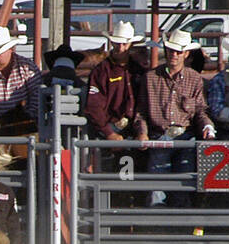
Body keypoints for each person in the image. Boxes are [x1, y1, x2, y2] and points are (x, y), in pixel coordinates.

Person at [134, 29, 217, 206]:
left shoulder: (194, 78)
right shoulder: (150, 78)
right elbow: (141, 112)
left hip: (185, 136)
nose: (174, 55)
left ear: (186, 54)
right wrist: (142, 133)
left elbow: (200, 110)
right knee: (157, 190)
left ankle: (180, 228)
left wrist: (207, 126)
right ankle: (158, 228)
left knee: (184, 187)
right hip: (159, 135)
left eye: (178, 51)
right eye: (171, 50)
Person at [84, 21, 145, 149]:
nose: (121, 48)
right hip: (110, 126)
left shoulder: (138, 70)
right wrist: (109, 133)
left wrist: (142, 131)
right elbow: (93, 106)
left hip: (134, 128)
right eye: (117, 44)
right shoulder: (101, 71)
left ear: (130, 45)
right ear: (112, 43)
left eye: (124, 44)